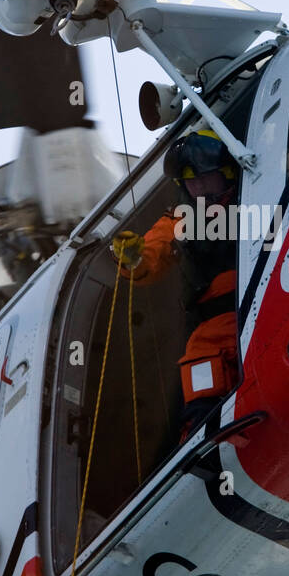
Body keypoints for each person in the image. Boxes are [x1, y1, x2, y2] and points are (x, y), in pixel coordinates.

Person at [111, 129, 239, 437]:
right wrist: (133, 258)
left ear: (227, 172)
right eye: (191, 183)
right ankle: (205, 443)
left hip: (268, 298)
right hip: (215, 327)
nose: (199, 188)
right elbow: (153, 256)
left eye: (205, 178)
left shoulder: (261, 191)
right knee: (200, 394)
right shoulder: (181, 219)